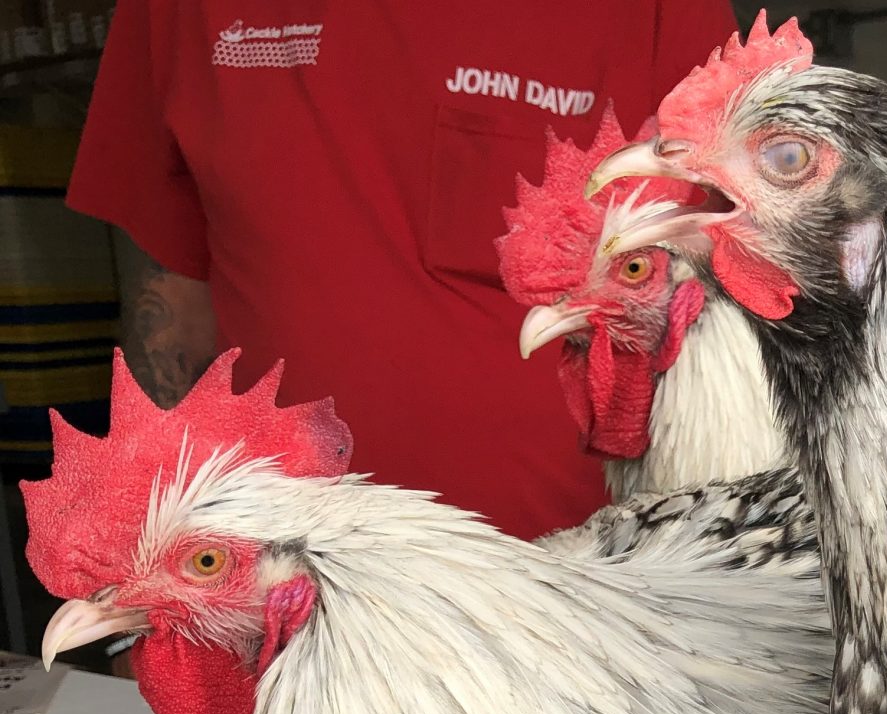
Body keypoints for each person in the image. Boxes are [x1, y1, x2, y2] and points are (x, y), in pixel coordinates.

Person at [67, 0, 739, 540]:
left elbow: (722, 307)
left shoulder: (652, 11)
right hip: (286, 602)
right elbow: (170, 306)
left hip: (583, 596)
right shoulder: (176, 11)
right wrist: (145, 559)